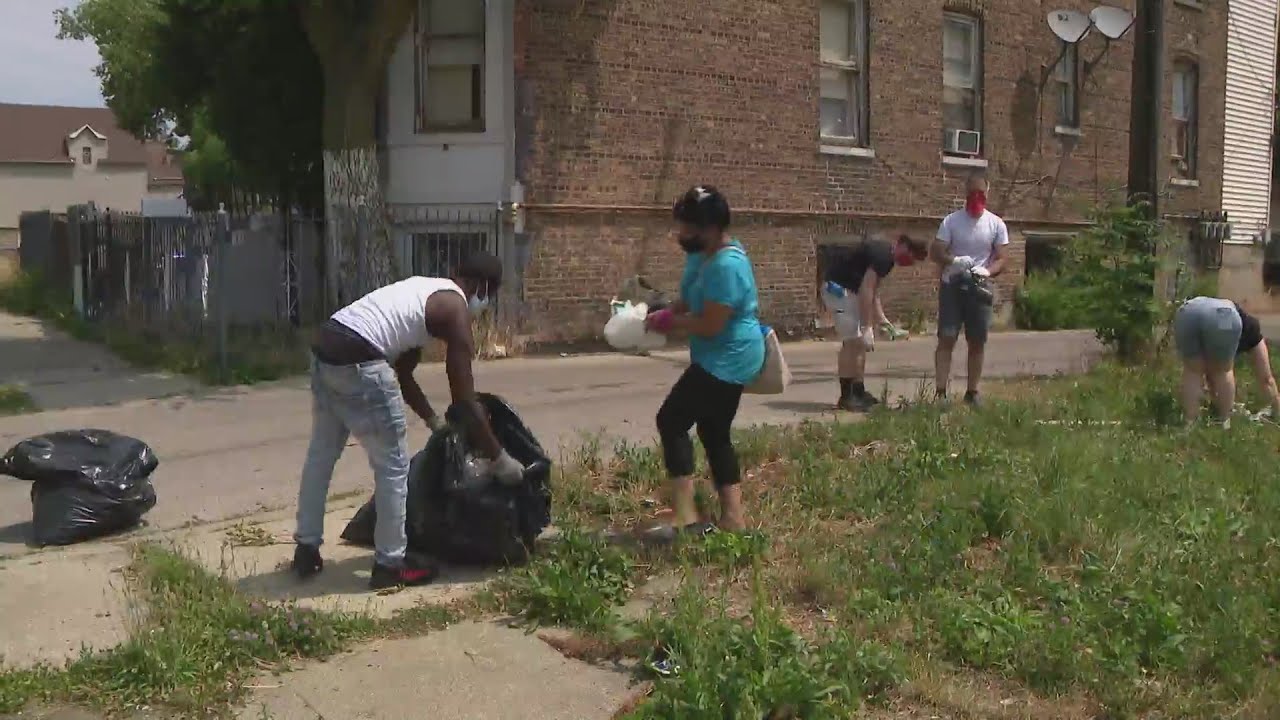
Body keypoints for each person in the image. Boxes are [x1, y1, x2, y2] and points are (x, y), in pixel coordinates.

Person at [292, 253, 524, 589]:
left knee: (322, 454)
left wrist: (432, 421)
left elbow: (404, 373)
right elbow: (465, 401)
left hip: (326, 349)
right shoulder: (455, 309)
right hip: (360, 361)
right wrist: (500, 459)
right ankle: (390, 565)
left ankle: (306, 549)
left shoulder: (424, 293)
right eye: (489, 295)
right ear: (482, 287)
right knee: (393, 468)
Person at [644, 186, 764, 533]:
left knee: (671, 420)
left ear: (711, 228)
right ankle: (733, 519)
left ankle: (686, 517)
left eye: (687, 228)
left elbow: (711, 324)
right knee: (713, 432)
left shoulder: (727, 265)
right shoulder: (701, 256)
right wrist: (668, 311)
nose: (681, 235)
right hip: (716, 354)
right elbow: (689, 297)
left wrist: (672, 323)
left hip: (731, 356)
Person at [821, 233, 931, 411]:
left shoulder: (885, 256)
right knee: (852, 342)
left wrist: (882, 321)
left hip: (849, 291)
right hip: (839, 291)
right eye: (912, 256)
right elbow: (866, 290)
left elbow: (873, 292)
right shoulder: (884, 256)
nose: (910, 263)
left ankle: (858, 390)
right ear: (904, 246)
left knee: (859, 344)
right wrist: (867, 327)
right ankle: (847, 396)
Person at [930, 170, 1009, 406]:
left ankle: (972, 392)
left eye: (981, 193)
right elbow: (936, 251)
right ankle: (941, 392)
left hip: (979, 287)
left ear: (988, 193)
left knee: (977, 341)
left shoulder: (995, 224)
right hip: (952, 285)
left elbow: (1003, 258)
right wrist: (953, 261)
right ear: (965, 193)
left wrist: (988, 271)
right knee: (947, 337)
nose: (977, 197)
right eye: (972, 193)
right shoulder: (952, 221)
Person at [1173, 296, 1280, 427]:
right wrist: (1277, 408)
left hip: (1187, 311)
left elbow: (1209, 375)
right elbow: (1266, 378)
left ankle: (1190, 422)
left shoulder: (1244, 325)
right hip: (1223, 314)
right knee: (1222, 371)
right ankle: (1223, 422)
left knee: (1193, 370)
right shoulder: (1254, 332)